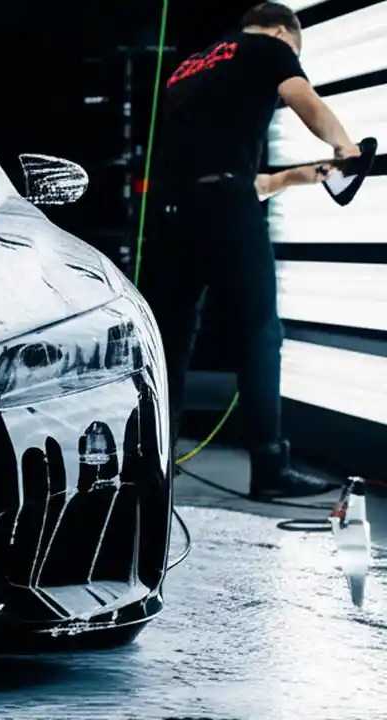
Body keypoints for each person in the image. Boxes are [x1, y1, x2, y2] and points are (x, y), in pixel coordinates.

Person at [143, 2, 361, 499]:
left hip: (173, 212)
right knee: (260, 333)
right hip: (224, 206)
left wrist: (298, 177)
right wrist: (346, 150)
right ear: (286, 32)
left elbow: (222, 168)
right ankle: (270, 466)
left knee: (172, 339)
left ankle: (156, 461)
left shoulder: (190, 66)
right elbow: (304, 99)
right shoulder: (268, 47)